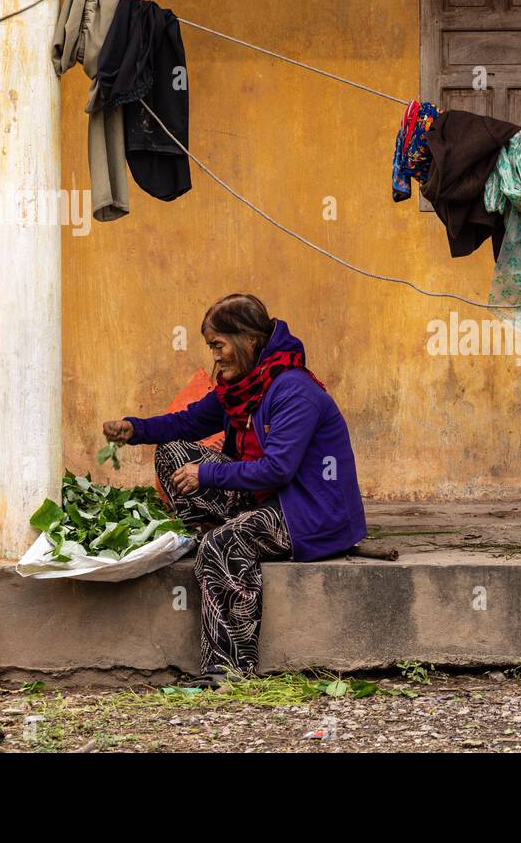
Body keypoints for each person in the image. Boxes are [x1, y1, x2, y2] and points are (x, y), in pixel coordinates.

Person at [102, 293, 366, 686]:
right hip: (266, 497)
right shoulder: (242, 386)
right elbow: (188, 423)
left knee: (221, 547)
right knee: (174, 455)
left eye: (218, 346)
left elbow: (277, 469)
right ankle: (227, 530)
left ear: (247, 340)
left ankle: (227, 669)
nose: (216, 358)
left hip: (309, 511)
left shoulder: (293, 390)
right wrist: (135, 429)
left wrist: (206, 477)